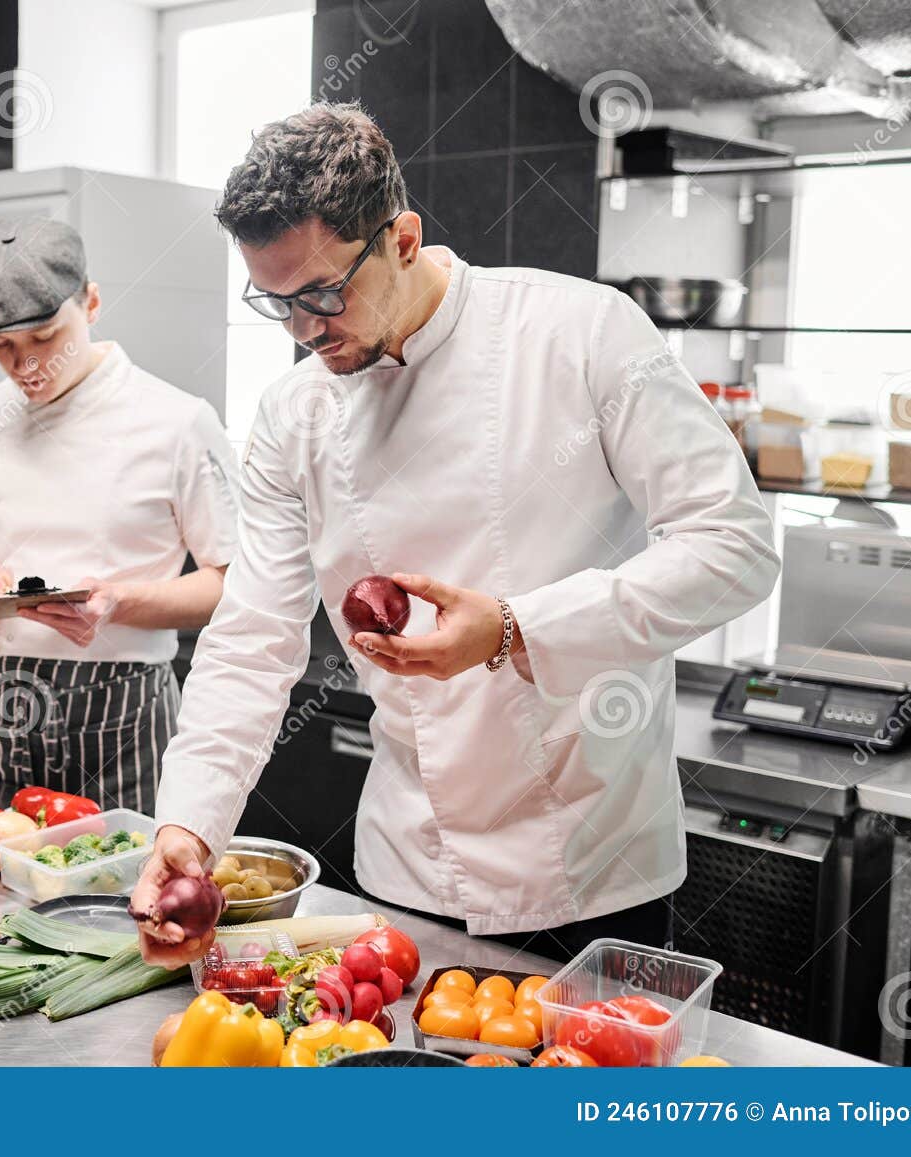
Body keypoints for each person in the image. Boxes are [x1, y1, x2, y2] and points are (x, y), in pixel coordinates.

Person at [131, 103, 780, 966]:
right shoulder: (294, 411)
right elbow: (252, 639)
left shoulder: (581, 334)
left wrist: (517, 629)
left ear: (402, 237)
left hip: (591, 865)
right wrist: (189, 820)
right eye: (275, 303)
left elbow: (734, 547)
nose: (305, 331)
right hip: (408, 863)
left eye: (324, 293)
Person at [0, 217, 239, 812]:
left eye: (45, 338)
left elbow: (234, 584)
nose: (26, 365)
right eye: (2, 347)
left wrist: (120, 602)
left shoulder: (178, 422)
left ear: (91, 301)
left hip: (123, 717)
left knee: (124, 897)